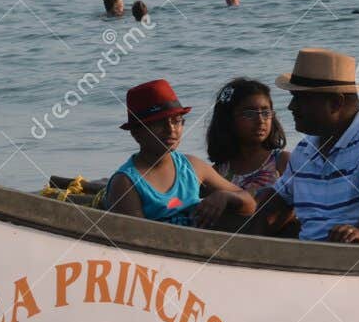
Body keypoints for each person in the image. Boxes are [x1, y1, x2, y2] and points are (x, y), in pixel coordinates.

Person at [249, 48, 359, 246]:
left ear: (335, 103)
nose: (292, 106)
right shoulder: (305, 149)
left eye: (301, 99)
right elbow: (277, 203)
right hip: (322, 259)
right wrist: (248, 243)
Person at [104, 80, 256, 228]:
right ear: (136, 133)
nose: (171, 130)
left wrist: (225, 196)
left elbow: (250, 203)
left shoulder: (192, 167)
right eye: (159, 123)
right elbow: (136, 241)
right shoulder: (126, 183)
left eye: (176, 121)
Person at [206, 78, 289, 192]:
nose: (260, 120)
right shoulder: (218, 172)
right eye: (249, 114)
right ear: (228, 119)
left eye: (265, 113)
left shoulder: (282, 162)